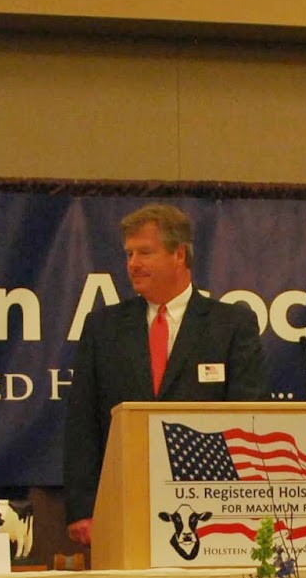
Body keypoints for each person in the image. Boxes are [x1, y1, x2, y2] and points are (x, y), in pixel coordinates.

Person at [63, 203, 266, 546]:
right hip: (123, 503)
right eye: (128, 253)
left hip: (211, 507)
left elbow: (248, 414)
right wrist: (82, 508)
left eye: (145, 252)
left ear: (179, 255)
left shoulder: (231, 325)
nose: (133, 264)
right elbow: (81, 423)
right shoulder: (103, 327)